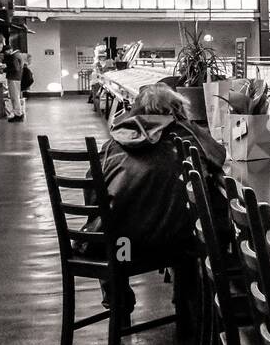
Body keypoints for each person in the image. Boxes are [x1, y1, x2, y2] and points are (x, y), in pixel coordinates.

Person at [83, 83, 227, 314]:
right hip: (169, 242)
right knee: (192, 235)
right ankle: (188, 306)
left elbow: (93, 189)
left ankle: (118, 304)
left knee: (115, 237)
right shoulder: (186, 135)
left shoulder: (115, 141)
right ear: (176, 110)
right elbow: (218, 156)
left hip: (124, 245)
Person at [3, 46, 25, 122]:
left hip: (13, 78)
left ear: (9, 50)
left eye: (5, 52)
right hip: (17, 78)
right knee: (16, 96)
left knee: (14, 97)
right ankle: (18, 113)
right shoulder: (18, 55)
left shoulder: (13, 56)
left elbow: (15, 68)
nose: (5, 54)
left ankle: (18, 114)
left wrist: (4, 69)